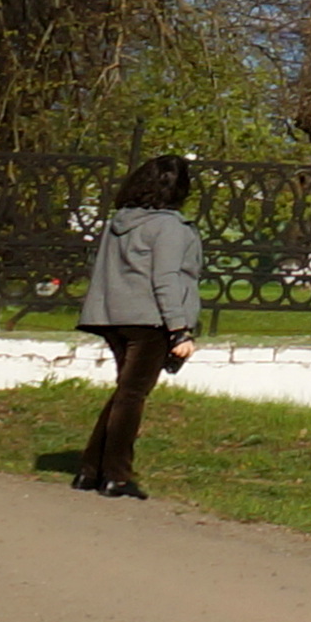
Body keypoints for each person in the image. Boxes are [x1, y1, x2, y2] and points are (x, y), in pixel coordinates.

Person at [72, 154, 201, 498]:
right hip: (152, 320)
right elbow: (165, 279)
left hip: (114, 316)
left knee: (124, 393)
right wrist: (180, 329)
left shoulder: (119, 222)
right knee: (132, 396)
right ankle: (117, 476)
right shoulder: (170, 227)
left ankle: (89, 470)